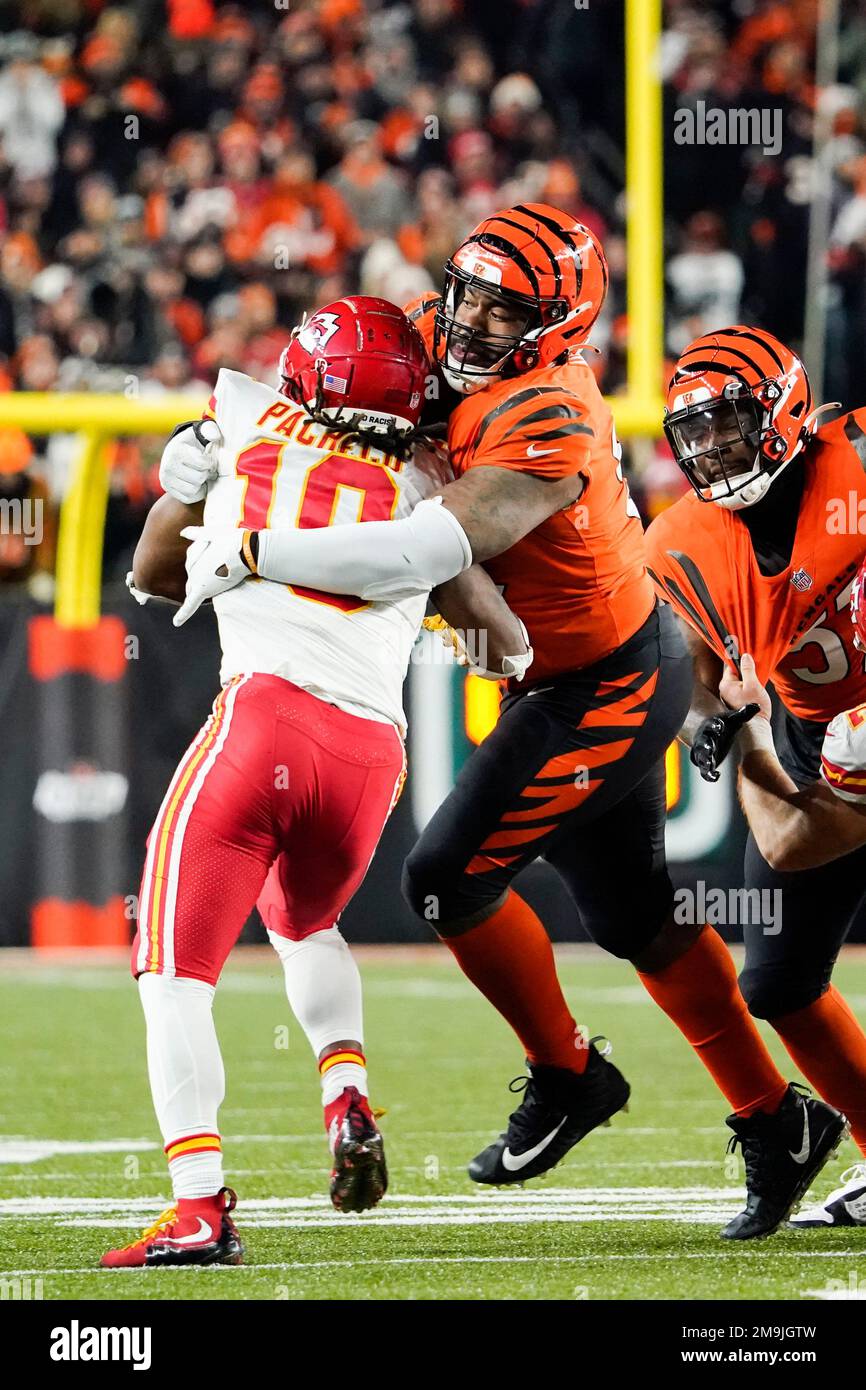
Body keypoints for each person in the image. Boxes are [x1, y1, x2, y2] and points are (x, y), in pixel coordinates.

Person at [180, 208, 843, 1240]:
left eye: (505, 308)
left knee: (444, 876)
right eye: (469, 293)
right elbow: (313, 397)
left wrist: (261, 549)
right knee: (636, 919)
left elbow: (430, 547)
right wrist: (216, 439)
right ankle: (776, 1123)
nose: (471, 320)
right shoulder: (431, 338)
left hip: (609, 680)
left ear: (558, 326)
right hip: (556, 674)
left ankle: (567, 1070)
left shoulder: (549, 410)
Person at [100, 296, 529, 1268]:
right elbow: (503, 644)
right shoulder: (427, 488)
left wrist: (181, 490)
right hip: (371, 755)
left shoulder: (247, 431)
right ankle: (342, 1087)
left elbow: (156, 572)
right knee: (303, 924)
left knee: (171, 973)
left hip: (262, 719)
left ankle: (199, 1205)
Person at [645, 324, 866, 1229]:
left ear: (781, 413)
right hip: (821, 741)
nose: (712, 451)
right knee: (776, 983)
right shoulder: (683, 541)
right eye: (694, 436)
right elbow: (697, 682)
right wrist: (732, 728)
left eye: (729, 426)